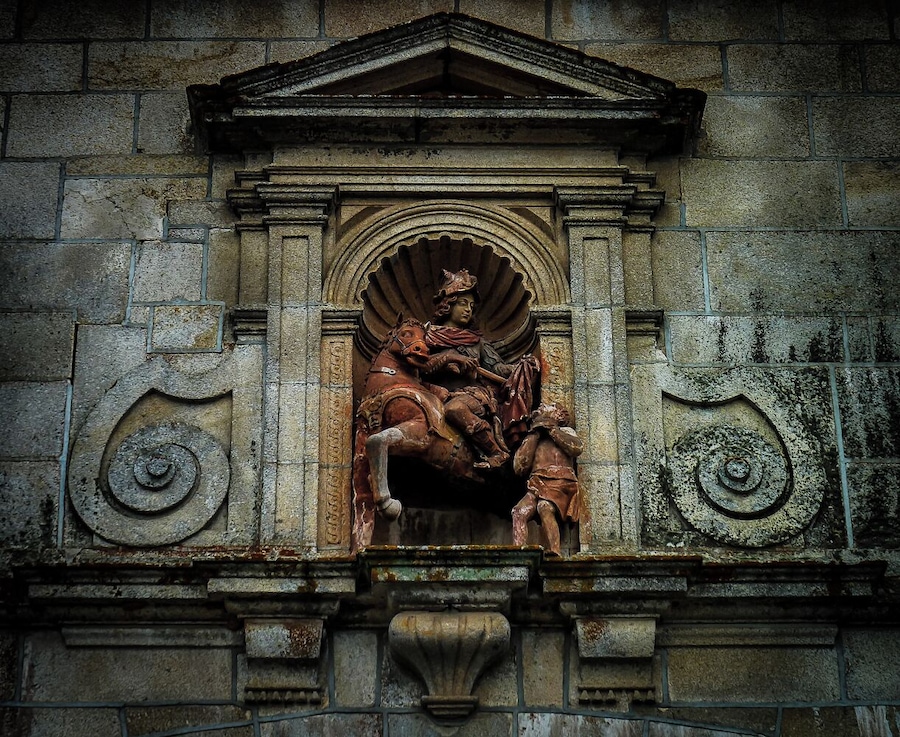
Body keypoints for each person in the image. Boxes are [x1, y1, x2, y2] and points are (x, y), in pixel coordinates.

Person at [421, 268, 537, 470]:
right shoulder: (426, 336)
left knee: (455, 409)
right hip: (432, 393)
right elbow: (417, 365)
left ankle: (496, 452)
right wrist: (446, 360)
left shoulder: (476, 341)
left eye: (472, 306)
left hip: (471, 394)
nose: (468, 310)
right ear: (448, 304)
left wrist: (519, 367)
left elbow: (496, 368)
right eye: (463, 303)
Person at [511, 403, 583, 556]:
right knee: (518, 511)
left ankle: (554, 550)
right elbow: (519, 467)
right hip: (537, 484)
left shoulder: (565, 431)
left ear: (558, 415)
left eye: (548, 407)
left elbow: (576, 448)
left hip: (560, 482)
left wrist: (552, 429)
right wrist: (534, 434)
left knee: (544, 507)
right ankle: (518, 552)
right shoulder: (534, 438)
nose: (541, 407)